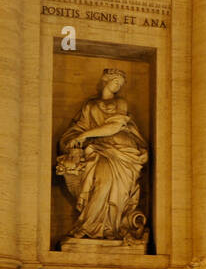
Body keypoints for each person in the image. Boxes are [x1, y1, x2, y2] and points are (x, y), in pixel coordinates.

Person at [57, 68, 148, 241]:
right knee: (103, 183)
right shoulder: (90, 106)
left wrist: (84, 135)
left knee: (120, 192)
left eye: (120, 84)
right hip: (100, 151)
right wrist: (74, 139)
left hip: (125, 153)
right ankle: (91, 226)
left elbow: (114, 127)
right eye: (115, 82)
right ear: (106, 81)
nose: (117, 86)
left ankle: (111, 228)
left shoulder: (121, 103)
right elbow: (78, 128)